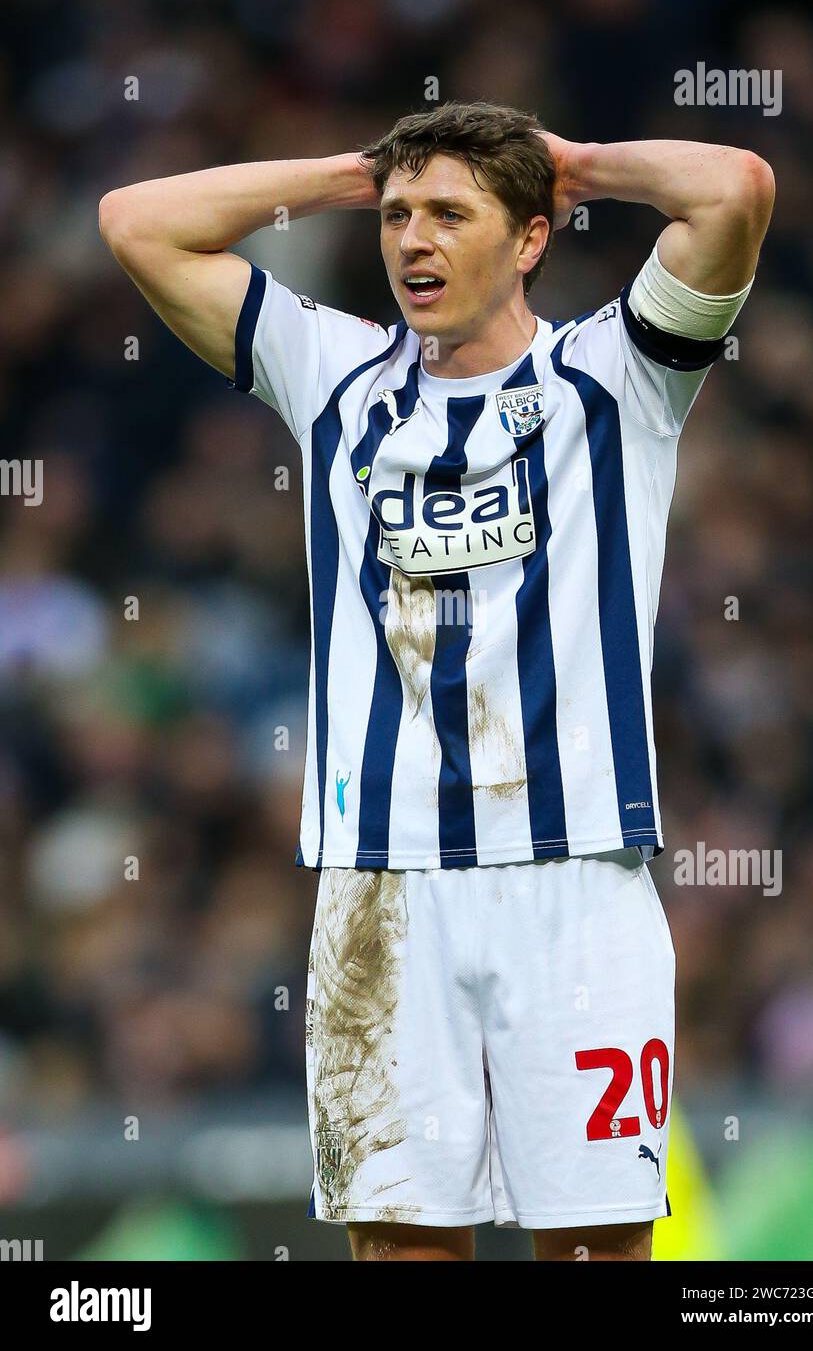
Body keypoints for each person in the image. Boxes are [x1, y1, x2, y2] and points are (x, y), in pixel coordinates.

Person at [99, 99, 774, 1261]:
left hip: (576, 881)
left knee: (597, 1248)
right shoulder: (333, 372)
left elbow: (735, 188)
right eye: (398, 217)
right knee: (400, 1250)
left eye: (450, 215)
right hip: (380, 888)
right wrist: (351, 177)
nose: (413, 238)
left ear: (529, 238)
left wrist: (576, 165)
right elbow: (135, 220)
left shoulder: (614, 373)